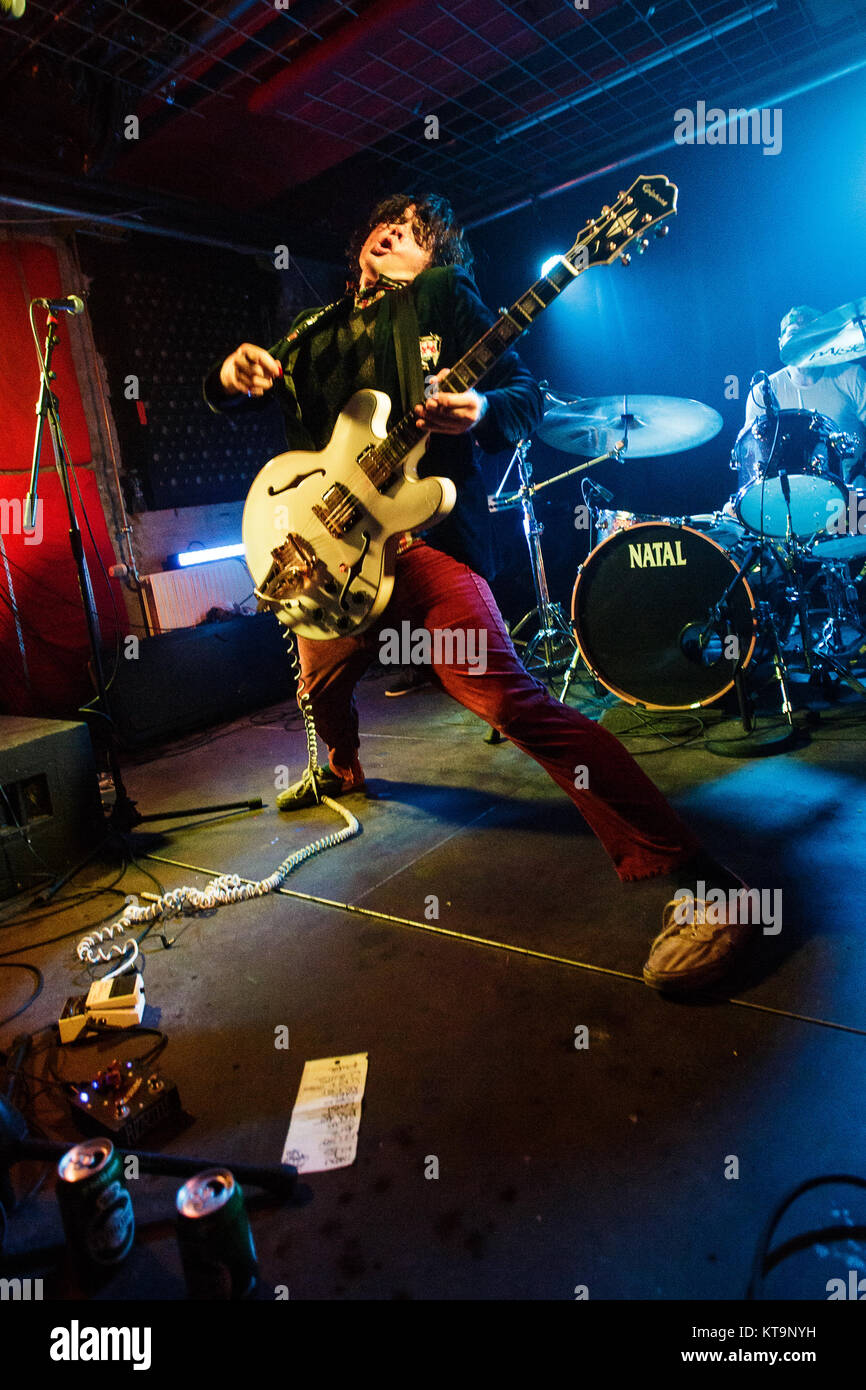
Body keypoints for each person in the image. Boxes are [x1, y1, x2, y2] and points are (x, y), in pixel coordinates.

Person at [204, 193, 753, 995]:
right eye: (381, 223)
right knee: (319, 690)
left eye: (414, 231)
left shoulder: (446, 301)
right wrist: (229, 375)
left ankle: (712, 886)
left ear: (437, 254)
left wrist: (486, 407)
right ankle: (344, 769)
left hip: (422, 544)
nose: (389, 232)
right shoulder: (312, 331)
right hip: (332, 558)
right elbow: (283, 432)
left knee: (509, 704)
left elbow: (526, 399)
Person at [744, 305, 866, 485]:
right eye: (793, 334)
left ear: (822, 339)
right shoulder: (764, 392)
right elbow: (753, 457)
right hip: (792, 497)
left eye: (808, 333)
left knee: (859, 510)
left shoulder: (852, 376)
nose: (801, 341)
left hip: (854, 488)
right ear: (781, 343)